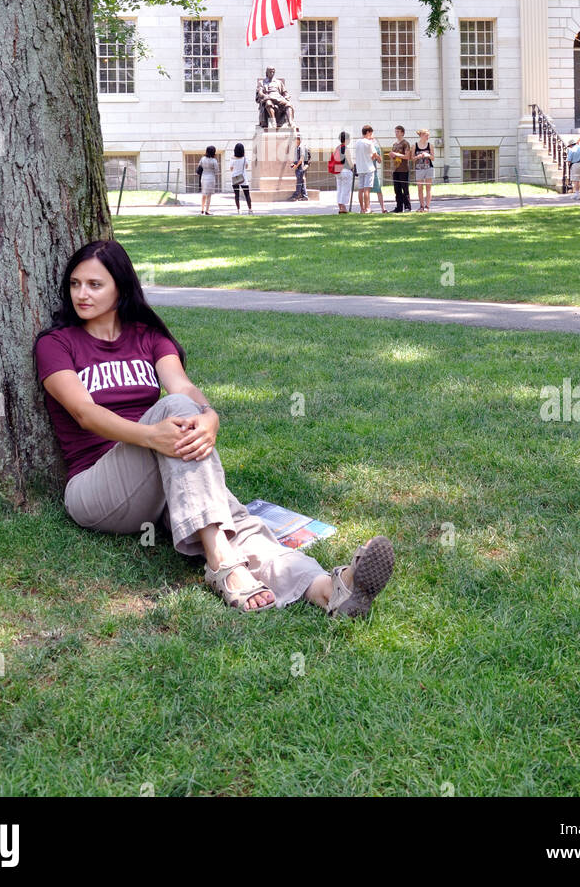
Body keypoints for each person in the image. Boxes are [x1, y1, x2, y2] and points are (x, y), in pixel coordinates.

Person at [33, 241, 395, 616]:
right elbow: (85, 414)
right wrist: (152, 436)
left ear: (121, 288)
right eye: (75, 284)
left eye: (94, 284)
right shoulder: (56, 344)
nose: (81, 294)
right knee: (176, 413)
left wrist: (210, 416)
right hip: (97, 489)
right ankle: (221, 563)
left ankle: (327, 589)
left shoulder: (147, 337)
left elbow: (184, 388)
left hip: (160, 477)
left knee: (234, 518)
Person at [354, 124, 380, 214]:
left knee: (360, 190)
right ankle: (368, 208)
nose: (371, 135)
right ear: (368, 132)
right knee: (367, 189)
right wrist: (378, 158)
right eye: (371, 133)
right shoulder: (369, 143)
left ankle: (362, 209)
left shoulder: (357, 142)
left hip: (360, 168)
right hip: (368, 168)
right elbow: (375, 155)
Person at [390, 125, 412, 212]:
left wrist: (396, 154)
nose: (396, 133)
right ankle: (399, 207)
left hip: (403, 170)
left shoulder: (405, 143)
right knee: (397, 189)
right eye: (395, 131)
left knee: (405, 188)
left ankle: (407, 206)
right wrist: (392, 155)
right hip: (395, 170)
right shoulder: (394, 144)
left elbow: (407, 156)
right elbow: (394, 156)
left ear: (402, 133)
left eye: (398, 132)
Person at [332, 130, 354, 213]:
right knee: (345, 189)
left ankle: (340, 206)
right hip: (345, 170)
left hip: (337, 171)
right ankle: (343, 207)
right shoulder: (346, 149)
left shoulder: (336, 148)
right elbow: (349, 162)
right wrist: (353, 168)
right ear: (346, 139)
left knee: (340, 189)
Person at [413, 129, 434, 211]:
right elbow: (412, 159)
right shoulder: (415, 145)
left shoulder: (430, 145)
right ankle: (421, 206)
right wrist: (417, 157)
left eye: (428, 135)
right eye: (426, 135)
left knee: (428, 188)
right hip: (419, 169)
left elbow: (433, 158)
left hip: (429, 168)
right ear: (421, 135)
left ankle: (427, 206)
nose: (428, 137)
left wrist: (427, 155)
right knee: (420, 188)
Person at [230, 142, 253, 214]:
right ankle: (250, 209)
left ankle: (239, 209)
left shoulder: (232, 158)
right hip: (243, 178)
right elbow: (246, 167)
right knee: (247, 194)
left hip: (235, 177)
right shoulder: (244, 158)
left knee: (236, 195)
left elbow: (231, 169)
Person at [197, 145, 219, 215]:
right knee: (209, 195)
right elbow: (216, 170)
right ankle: (207, 210)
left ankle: (202, 210)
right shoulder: (214, 160)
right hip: (211, 177)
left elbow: (199, 166)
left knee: (203, 194)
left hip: (203, 177)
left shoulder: (203, 158)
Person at [289, 130, 310, 202]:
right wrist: (293, 165)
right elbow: (295, 158)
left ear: (299, 140)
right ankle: (305, 196)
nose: (295, 141)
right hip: (298, 166)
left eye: (296, 139)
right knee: (301, 181)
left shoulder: (301, 147)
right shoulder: (297, 147)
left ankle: (296, 196)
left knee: (299, 181)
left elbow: (302, 158)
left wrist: (296, 165)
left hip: (301, 167)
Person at [371, 134, 387, 212]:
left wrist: (377, 156)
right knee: (365, 191)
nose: (371, 140)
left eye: (372, 138)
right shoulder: (365, 147)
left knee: (378, 190)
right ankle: (366, 208)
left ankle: (383, 208)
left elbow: (380, 161)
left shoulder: (376, 148)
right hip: (366, 172)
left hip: (374, 172)